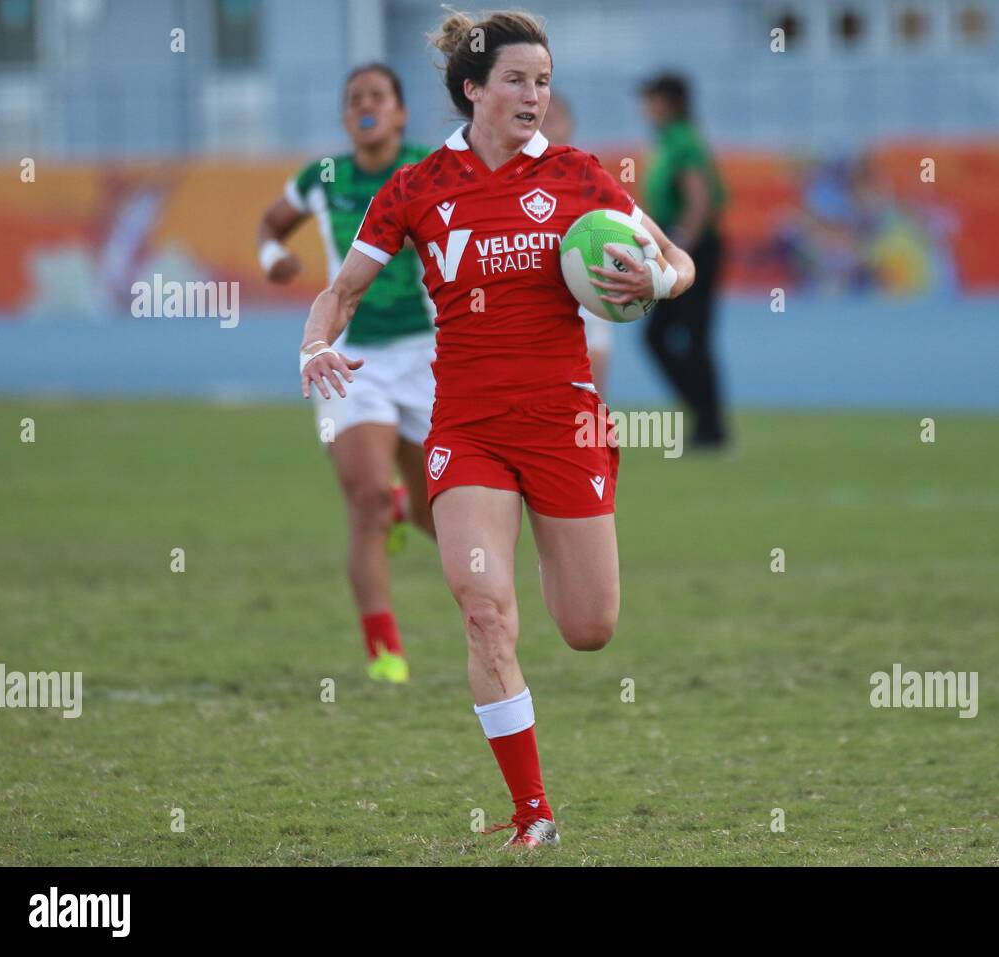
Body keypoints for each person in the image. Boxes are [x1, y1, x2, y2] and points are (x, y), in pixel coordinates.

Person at [297, 10, 695, 849]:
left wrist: (652, 277)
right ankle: (532, 813)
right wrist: (312, 345)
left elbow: (677, 263)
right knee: (484, 610)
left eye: (543, 81)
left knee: (589, 627)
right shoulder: (416, 188)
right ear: (472, 88)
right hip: (467, 428)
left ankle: (557, 567)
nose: (534, 94)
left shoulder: (583, 177)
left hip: (563, 424)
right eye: (517, 79)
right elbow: (342, 291)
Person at [257, 64, 436, 685]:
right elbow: (271, 223)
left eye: (378, 97)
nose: (365, 107)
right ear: (344, 116)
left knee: (439, 516)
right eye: (354, 99)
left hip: (430, 355)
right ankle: (384, 649)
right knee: (363, 501)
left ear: (401, 111)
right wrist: (274, 255)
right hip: (350, 357)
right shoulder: (323, 176)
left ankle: (403, 504)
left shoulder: (428, 168)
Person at [638, 72, 730, 449]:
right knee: (670, 336)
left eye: (651, 99)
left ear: (670, 102)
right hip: (683, 248)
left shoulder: (681, 139)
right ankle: (705, 419)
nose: (646, 108)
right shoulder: (667, 139)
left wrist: (679, 248)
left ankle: (709, 424)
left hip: (694, 251)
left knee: (689, 337)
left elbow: (699, 196)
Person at [540, 91, 614, 392]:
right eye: (539, 121)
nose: (546, 129)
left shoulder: (590, 179)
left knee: (590, 396)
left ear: (570, 125)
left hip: (585, 293)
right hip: (530, 299)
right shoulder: (504, 181)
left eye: (553, 120)